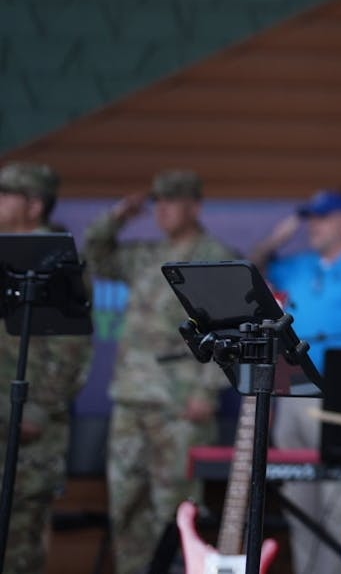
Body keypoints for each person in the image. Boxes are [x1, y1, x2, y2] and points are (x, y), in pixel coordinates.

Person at [82, 169, 233, 574]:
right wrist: (118, 216)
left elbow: (231, 330)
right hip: (131, 397)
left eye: (171, 201)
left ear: (194, 206)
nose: (161, 210)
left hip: (179, 403)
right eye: (157, 203)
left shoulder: (215, 257)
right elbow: (95, 256)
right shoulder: (146, 254)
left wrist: (209, 390)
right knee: (127, 504)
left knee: (179, 509)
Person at [251, 187, 341, 574]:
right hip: (291, 392)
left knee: (338, 501)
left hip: (338, 398)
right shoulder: (297, 265)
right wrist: (275, 239)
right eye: (309, 218)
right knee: (299, 501)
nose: (311, 226)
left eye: (321, 218)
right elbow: (250, 271)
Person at [0, 161, 93, 574]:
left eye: (6, 195)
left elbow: (72, 348)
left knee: (18, 543)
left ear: (34, 205)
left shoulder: (54, 257)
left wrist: (40, 407)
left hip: (26, 423)